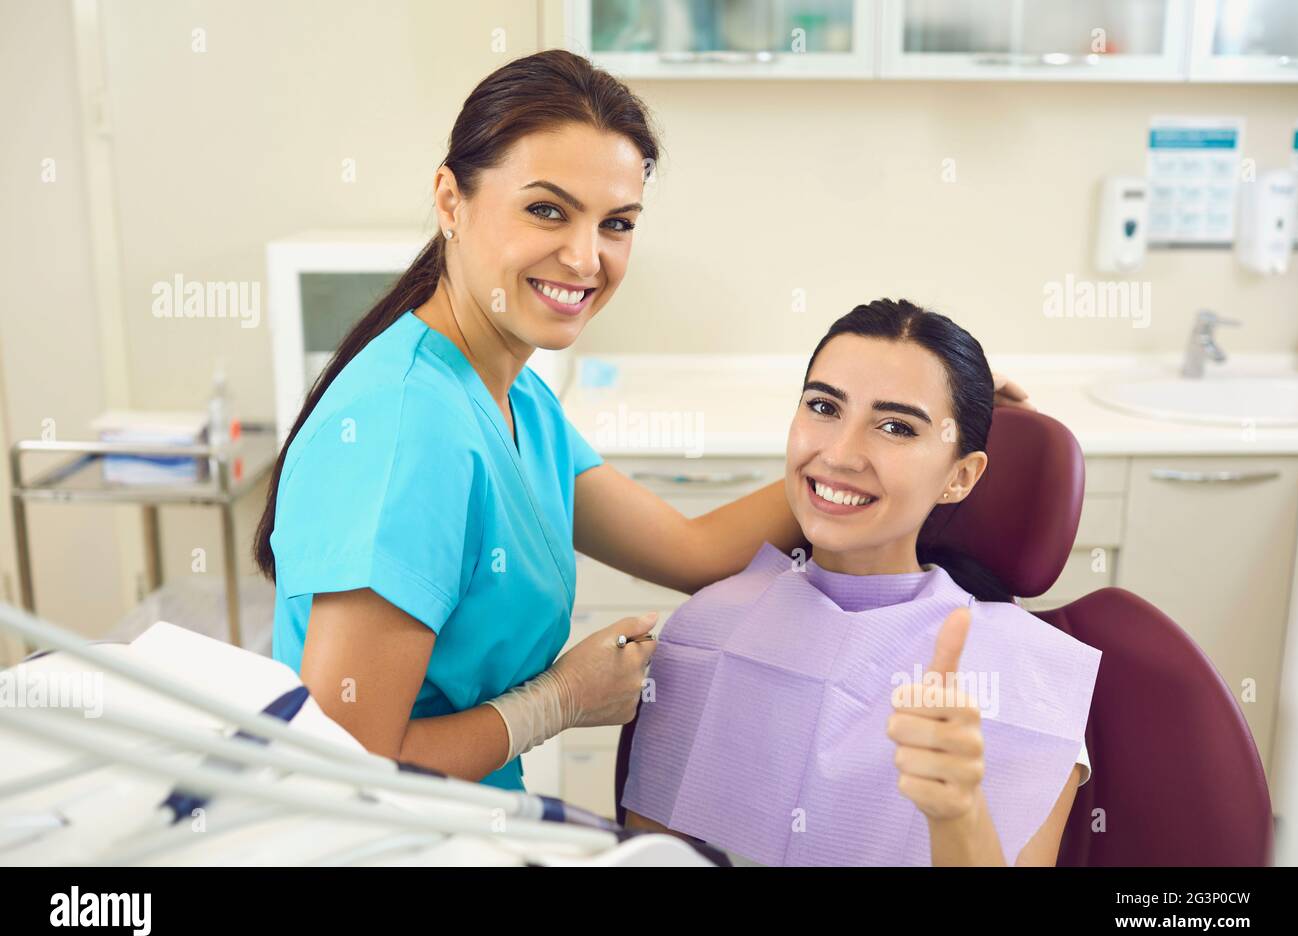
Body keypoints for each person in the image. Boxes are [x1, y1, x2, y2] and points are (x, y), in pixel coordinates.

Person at [252, 51, 1034, 794]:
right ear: (451, 200)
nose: (586, 258)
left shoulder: (514, 399)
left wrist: (851, 454)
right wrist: (553, 703)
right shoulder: (405, 430)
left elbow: (692, 551)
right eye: (547, 210)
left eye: (617, 223)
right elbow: (343, 765)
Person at [621, 299, 1099, 866]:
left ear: (961, 475)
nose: (841, 454)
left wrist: (959, 817)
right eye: (824, 406)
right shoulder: (708, 628)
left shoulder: (1022, 677)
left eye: (896, 426)